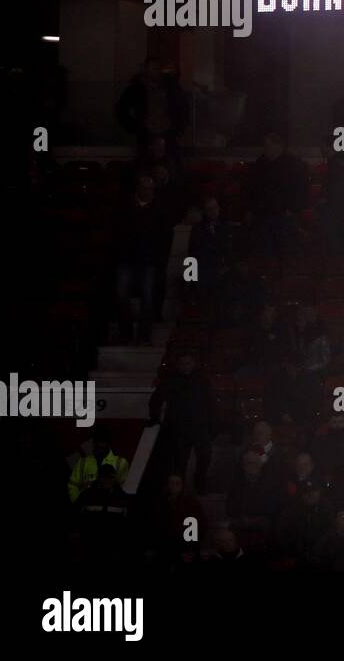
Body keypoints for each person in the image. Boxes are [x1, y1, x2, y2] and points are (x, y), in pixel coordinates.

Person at [113, 173, 170, 344]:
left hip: (148, 260)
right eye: (145, 188)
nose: (148, 191)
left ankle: (144, 336)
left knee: (148, 296)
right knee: (121, 294)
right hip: (126, 258)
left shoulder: (159, 209)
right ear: (138, 188)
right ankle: (126, 334)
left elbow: (164, 236)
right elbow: (118, 232)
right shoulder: (125, 207)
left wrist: (158, 258)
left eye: (151, 188)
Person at [149, 350, 213, 493]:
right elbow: (156, 400)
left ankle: (200, 482)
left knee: (205, 455)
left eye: (188, 363)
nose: (185, 366)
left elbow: (211, 403)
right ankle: (180, 489)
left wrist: (211, 425)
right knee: (180, 462)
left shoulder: (202, 380)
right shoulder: (171, 380)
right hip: (178, 428)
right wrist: (154, 418)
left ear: (194, 364)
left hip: (199, 426)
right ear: (178, 365)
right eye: (182, 364)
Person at [115, 58, 188, 154]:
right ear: (146, 70)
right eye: (153, 69)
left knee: (169, 163)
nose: (156, 71)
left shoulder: (171, 87)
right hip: (147, 134)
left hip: (167, 133)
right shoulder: (137, 88)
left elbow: (183, 107)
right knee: (147, 163)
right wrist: (134, 127)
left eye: (157, 68)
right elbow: (121, 109)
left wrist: (178, 128)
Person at [68, 429, 131, 503]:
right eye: (96, 441)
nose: (99, 444)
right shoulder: (83, 462)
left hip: (111, 507)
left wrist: (117, 503)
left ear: (108, 443)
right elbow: (72, 485)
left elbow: (126, 488)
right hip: (88, 508)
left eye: (102, 442)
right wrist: (79, 503)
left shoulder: (121, 462)